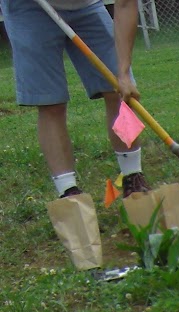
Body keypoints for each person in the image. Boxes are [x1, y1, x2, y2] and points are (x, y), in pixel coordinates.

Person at [2, 0, 149, 198]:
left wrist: (122, 74)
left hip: (86, 5)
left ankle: (132, 175)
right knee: (50, 102)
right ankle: (68, 191)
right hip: (30, 7)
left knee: (120, 91)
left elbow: (125, 4)